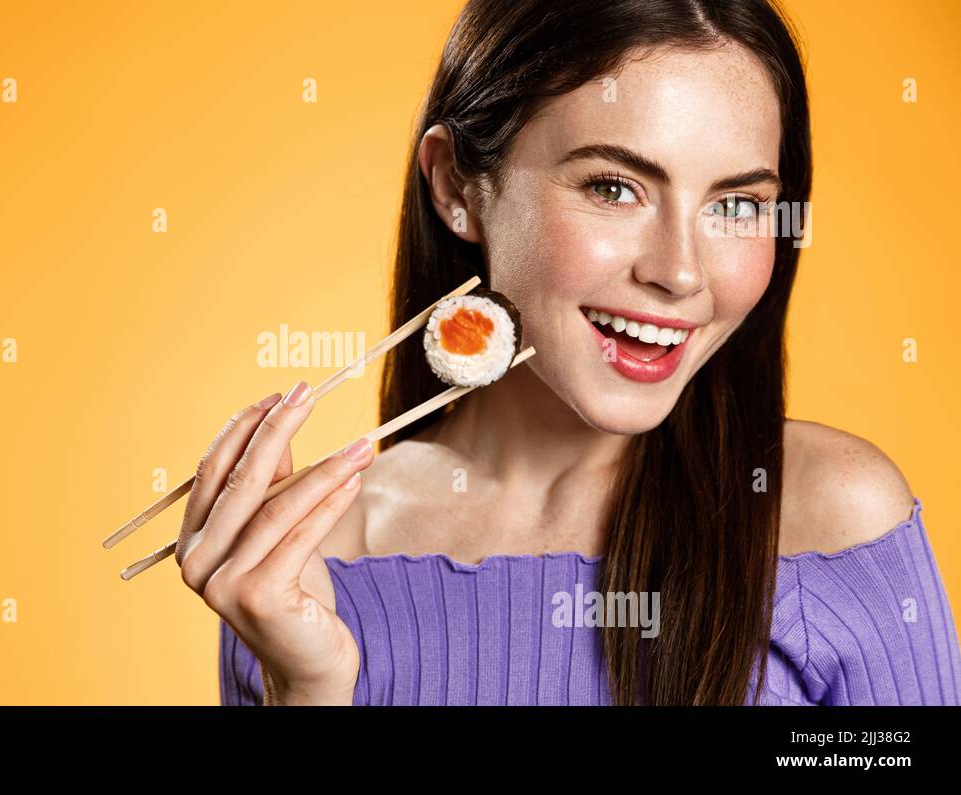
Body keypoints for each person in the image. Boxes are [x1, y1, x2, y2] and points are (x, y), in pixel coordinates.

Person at [176, 0, 961, 705]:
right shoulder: (301, 568)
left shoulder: (835, 515)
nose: (680, 272)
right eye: (615, 187)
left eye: (735, 205)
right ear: (456, 187)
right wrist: (308, 690)